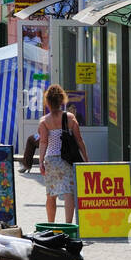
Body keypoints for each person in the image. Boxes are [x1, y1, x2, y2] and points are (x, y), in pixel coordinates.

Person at [37, 85, 85, 223]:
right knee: (68, 191)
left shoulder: (44, 121)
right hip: (67, 160)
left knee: (50, 194)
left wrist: (41, 161)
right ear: (61, 100)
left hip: (51, 159)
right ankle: (68, 225)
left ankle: (50, 225)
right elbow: (79, 140)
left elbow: (43, 142)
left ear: (48, 102)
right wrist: (85, 158)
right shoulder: (70, 117)